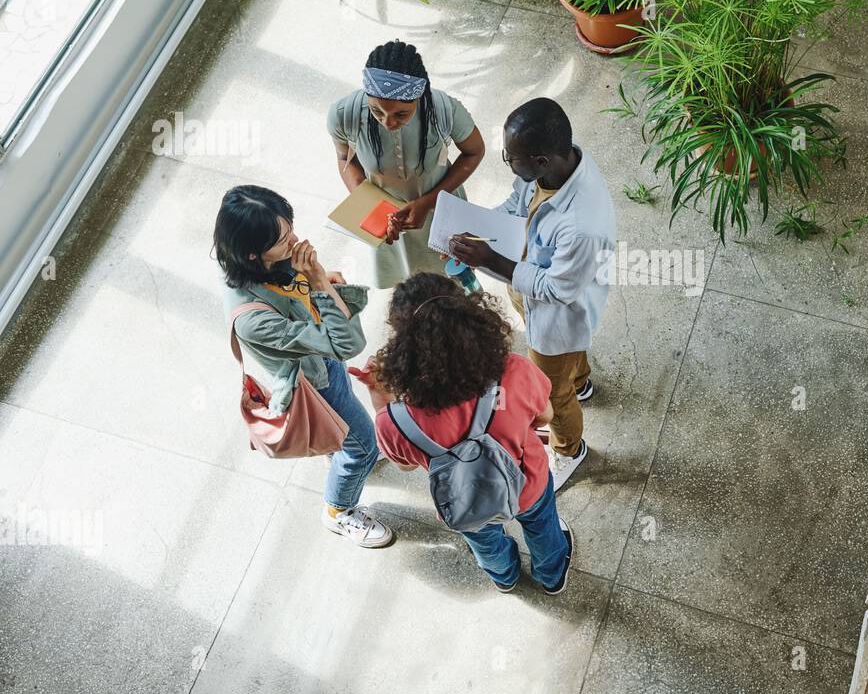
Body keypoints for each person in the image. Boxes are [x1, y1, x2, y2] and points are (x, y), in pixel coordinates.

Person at [356, 273, 575, 594]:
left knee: (486, 544)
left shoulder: (396, 422)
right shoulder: (515, 371)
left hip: (465, 502)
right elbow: (546, 416)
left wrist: (381, 403)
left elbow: (404, 464)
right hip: (528, 481)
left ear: (403, 348)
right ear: (472, 320)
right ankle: (551, 575)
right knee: (543, 528)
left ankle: (505, 578)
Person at [449, 97, 615, 490]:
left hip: (557, 314)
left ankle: (571, 450)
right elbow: (516, 205)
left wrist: (493, 259)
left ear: (541, 160)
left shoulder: (582, 224)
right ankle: (582, 381)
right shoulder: (553, 171)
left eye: (511, 157)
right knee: (568, 366)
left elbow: (558, 289)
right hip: (532, 293)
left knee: (551, 393)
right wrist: (481, 228)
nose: (507, 161)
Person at [215, 185, 393, 548]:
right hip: (316, 381)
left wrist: (318, 287)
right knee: (365, 446)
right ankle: (338, 510)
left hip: (321, 363)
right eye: (283, 239)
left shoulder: (261, 264)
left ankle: (336, 451)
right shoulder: (252, 319)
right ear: (252, 253)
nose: (295, 240)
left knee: (347, 437)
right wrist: (322, 285)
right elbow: (346, 344)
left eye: (290, 227)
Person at [327, 39, 486, 289]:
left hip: (441, 208)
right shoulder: (344, 113)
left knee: (453, 280)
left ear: (420, 98)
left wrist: (427, 202)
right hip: (389, 221)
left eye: (401, 114)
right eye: (376, 111)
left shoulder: (445, 110)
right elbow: (345, 159)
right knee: (407, 285)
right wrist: (373, 208)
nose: (388, 122)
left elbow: (474, 152)